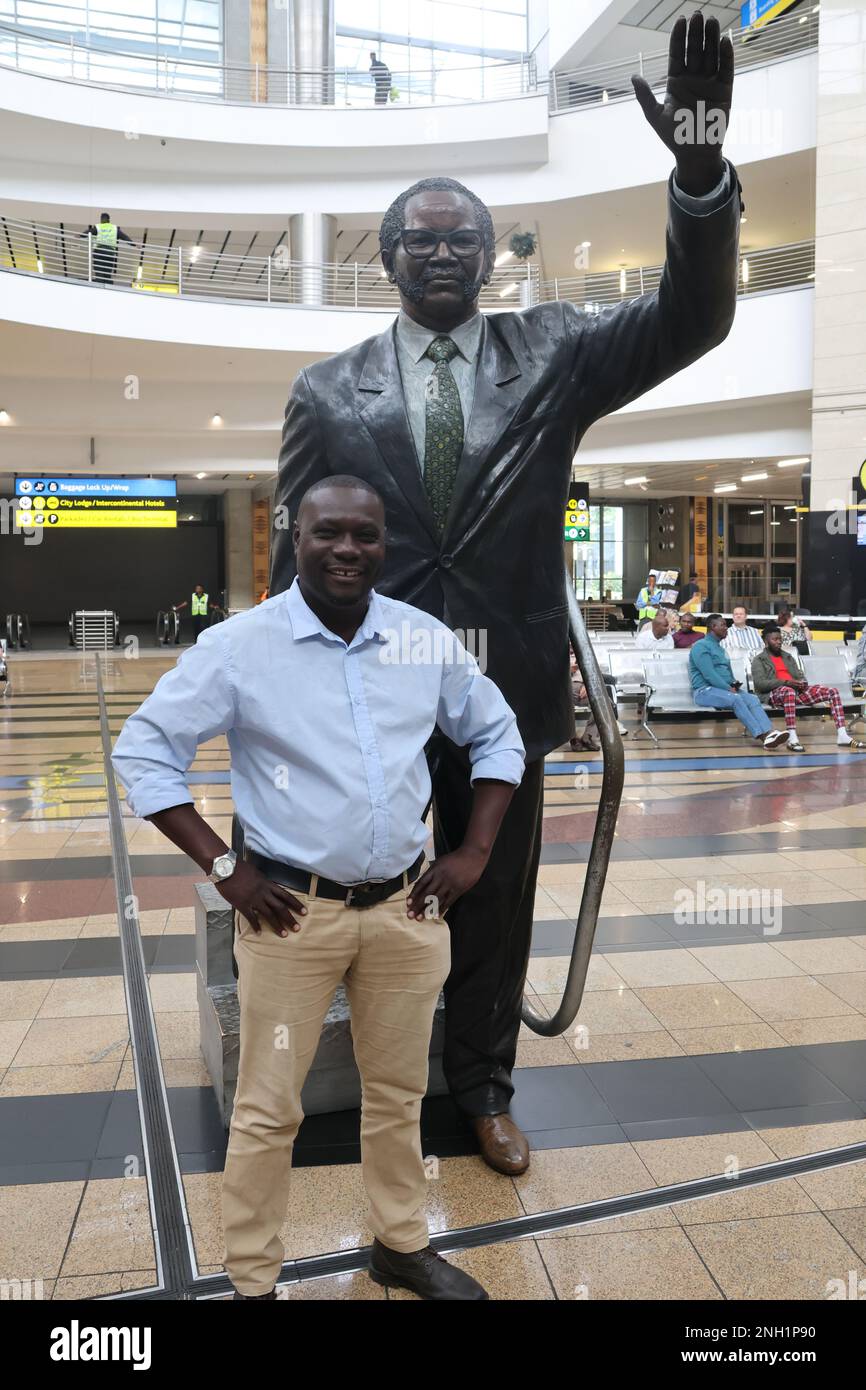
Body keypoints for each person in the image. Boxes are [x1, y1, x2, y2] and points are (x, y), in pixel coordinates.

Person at [270, 12, 742, 1176]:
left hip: (506, 692)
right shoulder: (326, 391)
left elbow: (694, 318)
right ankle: (342, 1077)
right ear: (385, 258)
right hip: (362, 695)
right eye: (419, 242)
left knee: (490, 896)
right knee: (353, 890)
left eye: (462, 242)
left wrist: (695, 177)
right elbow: (293, 555)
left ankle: (480, 1085)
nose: (441, 256)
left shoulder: (556, 353)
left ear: (491, 259)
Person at [112, 476, 524, 1302]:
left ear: (385, 544)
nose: (346, 549)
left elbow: (497, 733)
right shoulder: (240, 646)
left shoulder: (420, 639)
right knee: (269, 1109)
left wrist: (475, 852)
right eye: (327, 533)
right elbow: (144, 752)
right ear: (293, 540)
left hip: (408, 913)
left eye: (364, 535)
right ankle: (254, 1279)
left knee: (400, 1093)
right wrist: (225, 870)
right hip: (292, 918)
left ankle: (401, 1246)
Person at [689, 615, 788, 749]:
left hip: (724, 690)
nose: (726, 628)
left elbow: (727, 673)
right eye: (723, 625)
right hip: (704, 691)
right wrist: (727, 688)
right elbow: (709, 675)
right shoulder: (701, 646)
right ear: (713, 627)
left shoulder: (720, 648)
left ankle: (770, 732)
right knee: (736, 699)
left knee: (752, 699)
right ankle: (763, 736)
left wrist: (733, 683)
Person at [751, 623, 853, 751]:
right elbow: (760, 684)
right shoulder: (759, 660)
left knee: (832, 691)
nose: (779, 642)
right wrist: (786, 682)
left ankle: (842, 735)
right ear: (766, 641)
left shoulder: (787, 657)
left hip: (796, 691)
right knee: (788, 691)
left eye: (780, 639)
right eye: (775, 639)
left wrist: (801, 682)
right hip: (774, 694)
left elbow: (800, 675)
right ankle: (792, 737)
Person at [81, 213, 133, 285]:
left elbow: (89, 232)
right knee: (107, 273)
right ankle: (107, 285)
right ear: (109, 220)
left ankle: (100, 284)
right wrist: (134, 244)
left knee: (99, 272)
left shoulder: (98, 227)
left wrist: (80, 235)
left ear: (101, 219)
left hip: (99, 251)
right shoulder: (114, 228)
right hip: (110, 252)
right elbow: (124, 237)